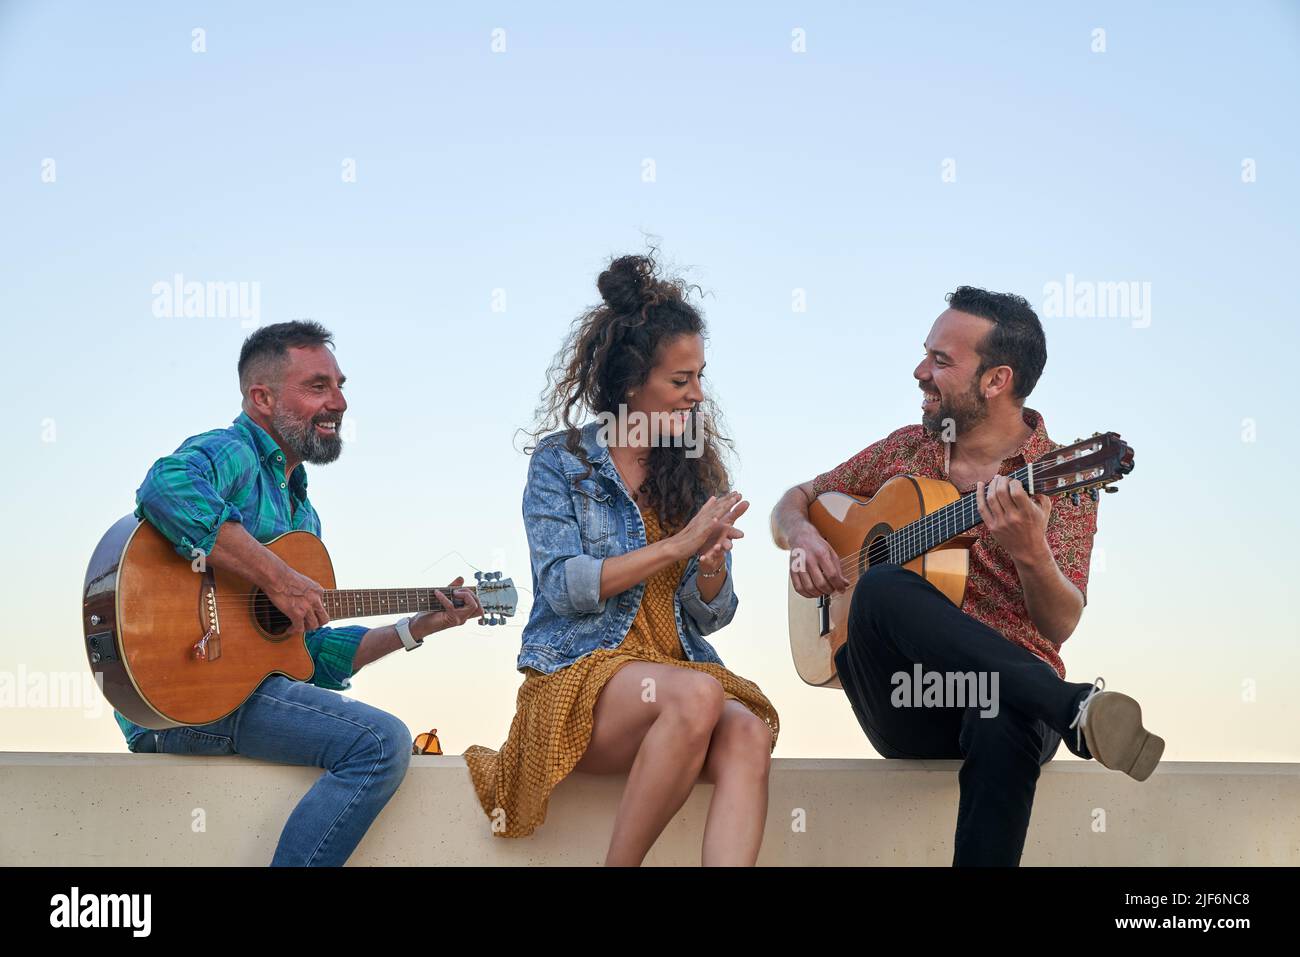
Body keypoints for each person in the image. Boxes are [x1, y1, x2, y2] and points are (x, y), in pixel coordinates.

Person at [770, 286, 1164, 866]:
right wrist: (804, 538)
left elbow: (1058, 625)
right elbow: (796, 498)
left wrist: (1031, 552)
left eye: (940, 360)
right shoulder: (907, 449)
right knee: (879, 587)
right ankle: (1072, 706)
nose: (920, 371)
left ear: (996, 380)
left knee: (1002, 715)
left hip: (1008, 701)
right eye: (926, 354)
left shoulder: (1058, 475)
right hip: (903, 696)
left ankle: (1057, 707)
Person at [115, 320, 482, 866]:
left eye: (339, 385)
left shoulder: (303, 517)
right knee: (379, 743)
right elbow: (165, 486)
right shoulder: (232, 452)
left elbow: (306, 658)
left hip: (242, 694)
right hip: (186, 699)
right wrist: (276, 576)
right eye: (318, 387)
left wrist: (415, 626)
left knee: (365, 729)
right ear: (261, 397)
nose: (339, 401)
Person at [464, 253, 779, 866]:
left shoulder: (695, 468)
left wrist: (709, 564)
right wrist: (675, 545)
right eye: (680, 380)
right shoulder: (563, 461)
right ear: (634, 384)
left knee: (747, 731)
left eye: (699, 378)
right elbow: (563, 587)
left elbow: (709, 618)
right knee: (697, 698)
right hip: (579, 676)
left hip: (673, 675)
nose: (696, 396)